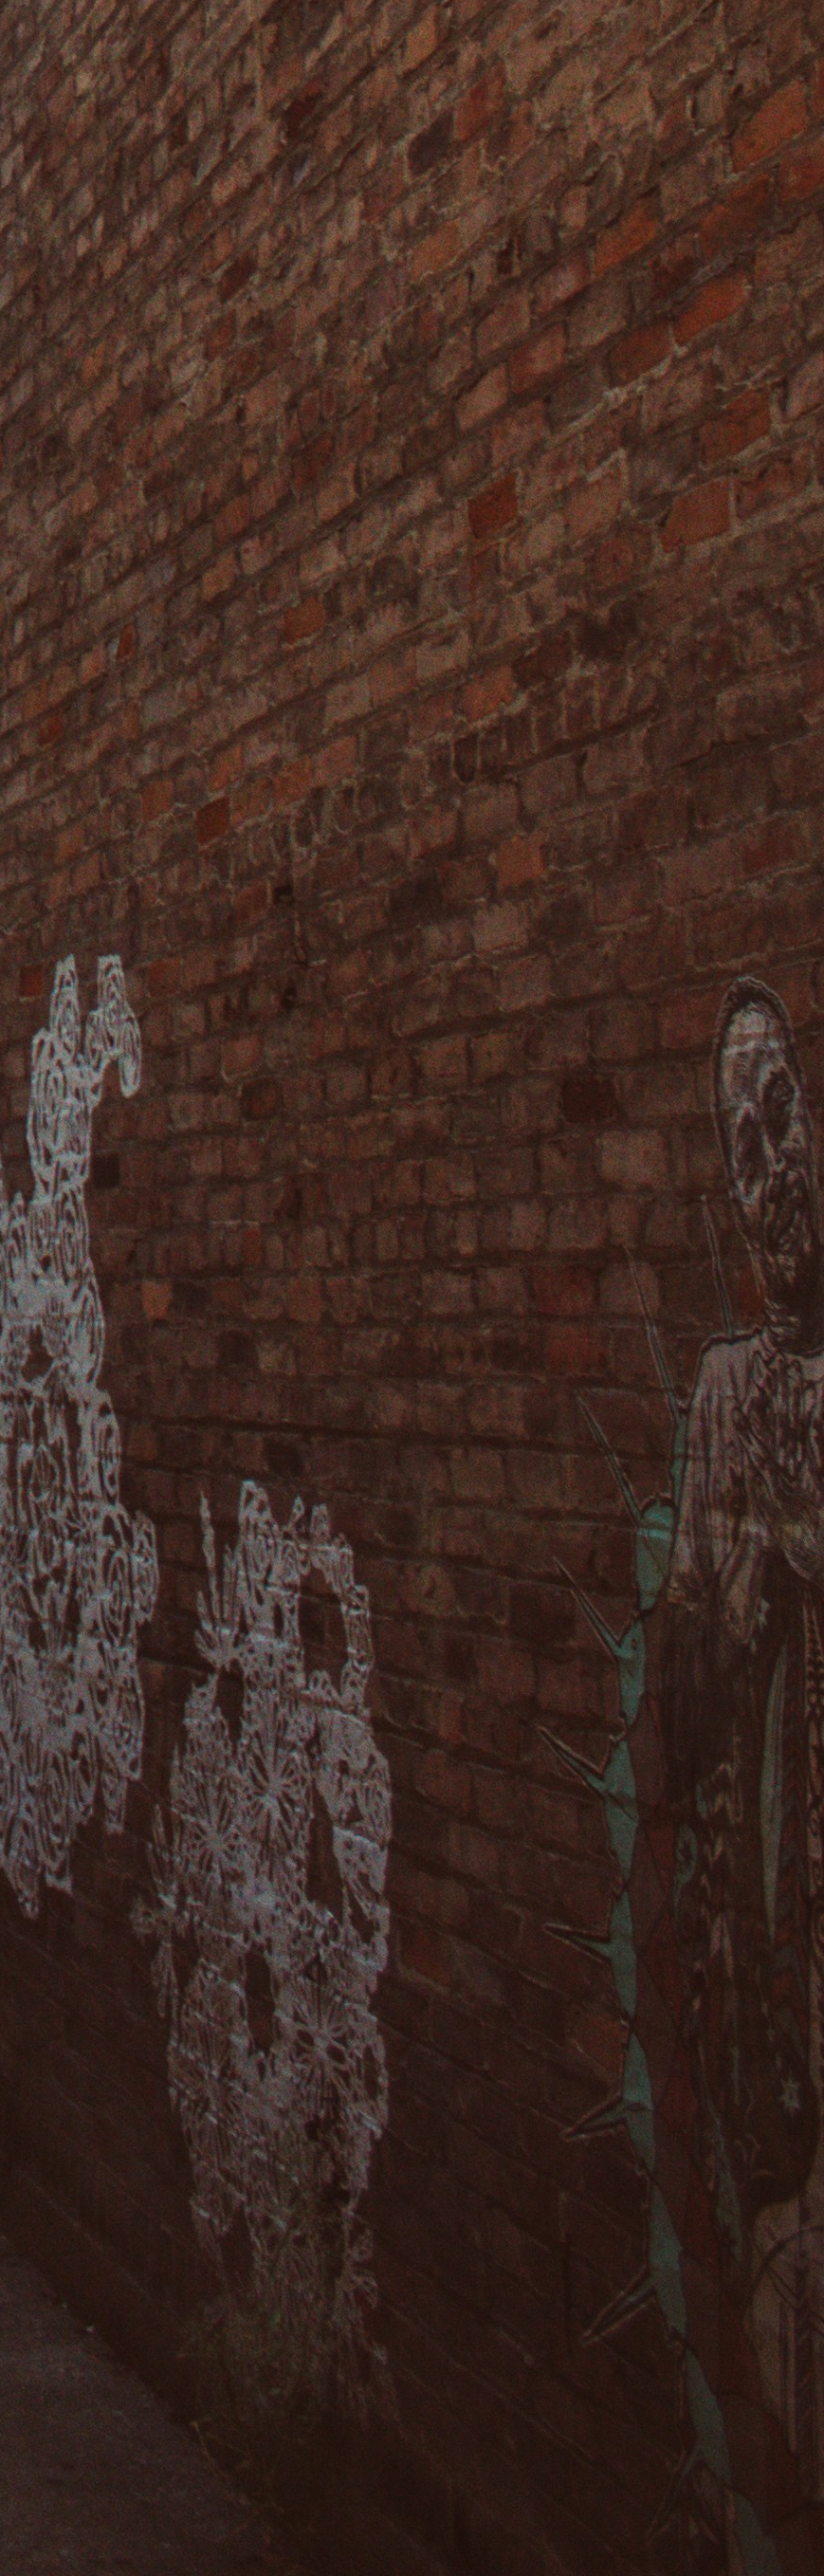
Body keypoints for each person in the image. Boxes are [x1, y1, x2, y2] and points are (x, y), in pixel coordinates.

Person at [664, 973, 824, 2511]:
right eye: (738, 1134)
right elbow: (695, 1693)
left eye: (782, 1118)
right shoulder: (734, 1398)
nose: (765, 1171)